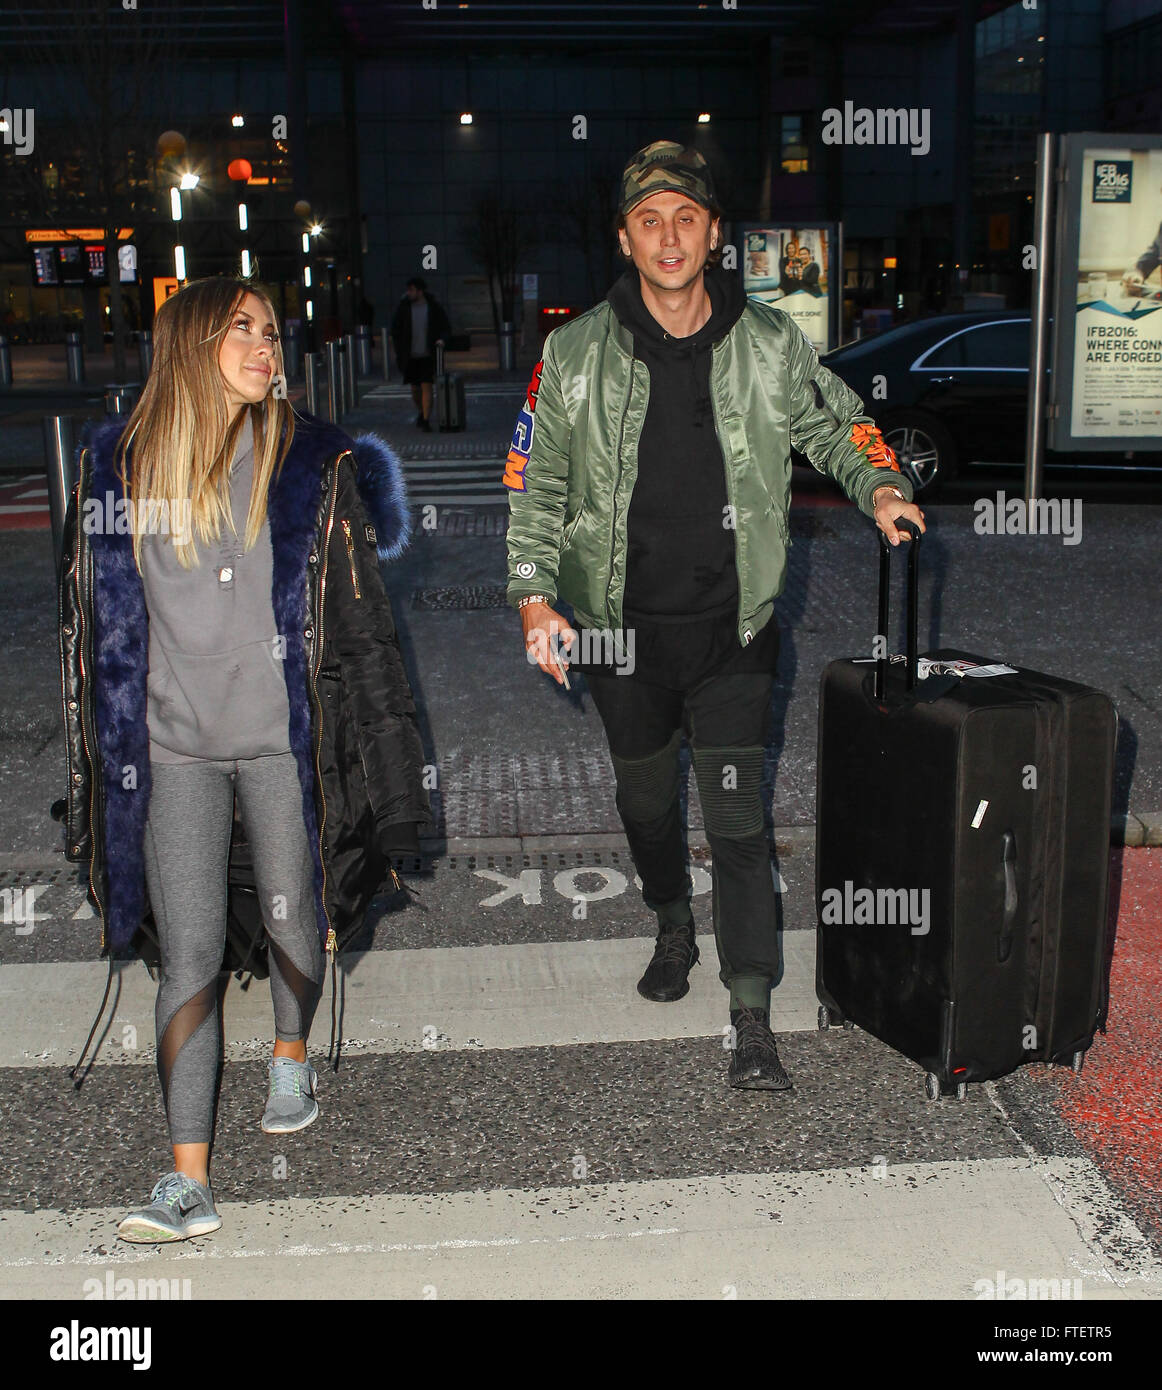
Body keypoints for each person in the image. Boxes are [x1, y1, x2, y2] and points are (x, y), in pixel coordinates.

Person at [505, 140, 924, 1093]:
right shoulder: (572, 355)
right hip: (617, 631)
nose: (668, 236)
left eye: (685, 218)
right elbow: (535, 486)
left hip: (735, 630)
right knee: (647, 808)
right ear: (625, 237)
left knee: (738, 824)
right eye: (649, 220)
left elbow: (838, 422)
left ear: (714, 235)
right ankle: (668, 919)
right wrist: (535, 597)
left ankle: (750, 1018)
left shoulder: (771, 343)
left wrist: (882, 484)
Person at [59, 275, 428, 1241]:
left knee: (292, 918)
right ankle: (187, 1179)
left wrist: (386, 764)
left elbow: (358, 624)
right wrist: (98, 768)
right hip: (174, 753)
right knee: (184, 958)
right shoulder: (122, 468)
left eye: (272, 332)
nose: (269, 348)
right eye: (244, 331)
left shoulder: (309, 463)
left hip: (281, 747)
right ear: (191, 344)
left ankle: (292, 1055)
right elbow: (89, 637)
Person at [390, 276, 451, 432]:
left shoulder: (433, 307)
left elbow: (445, 326)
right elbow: (396, 329)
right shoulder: (404, 308)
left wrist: (441, 340)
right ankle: (422, 412)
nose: (409, 293)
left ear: (420, 291)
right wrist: (400, 349)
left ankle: (425, 420)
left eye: (411, 290)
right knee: (415, 390)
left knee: (427, 386)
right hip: (411, 356)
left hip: (427, 355)